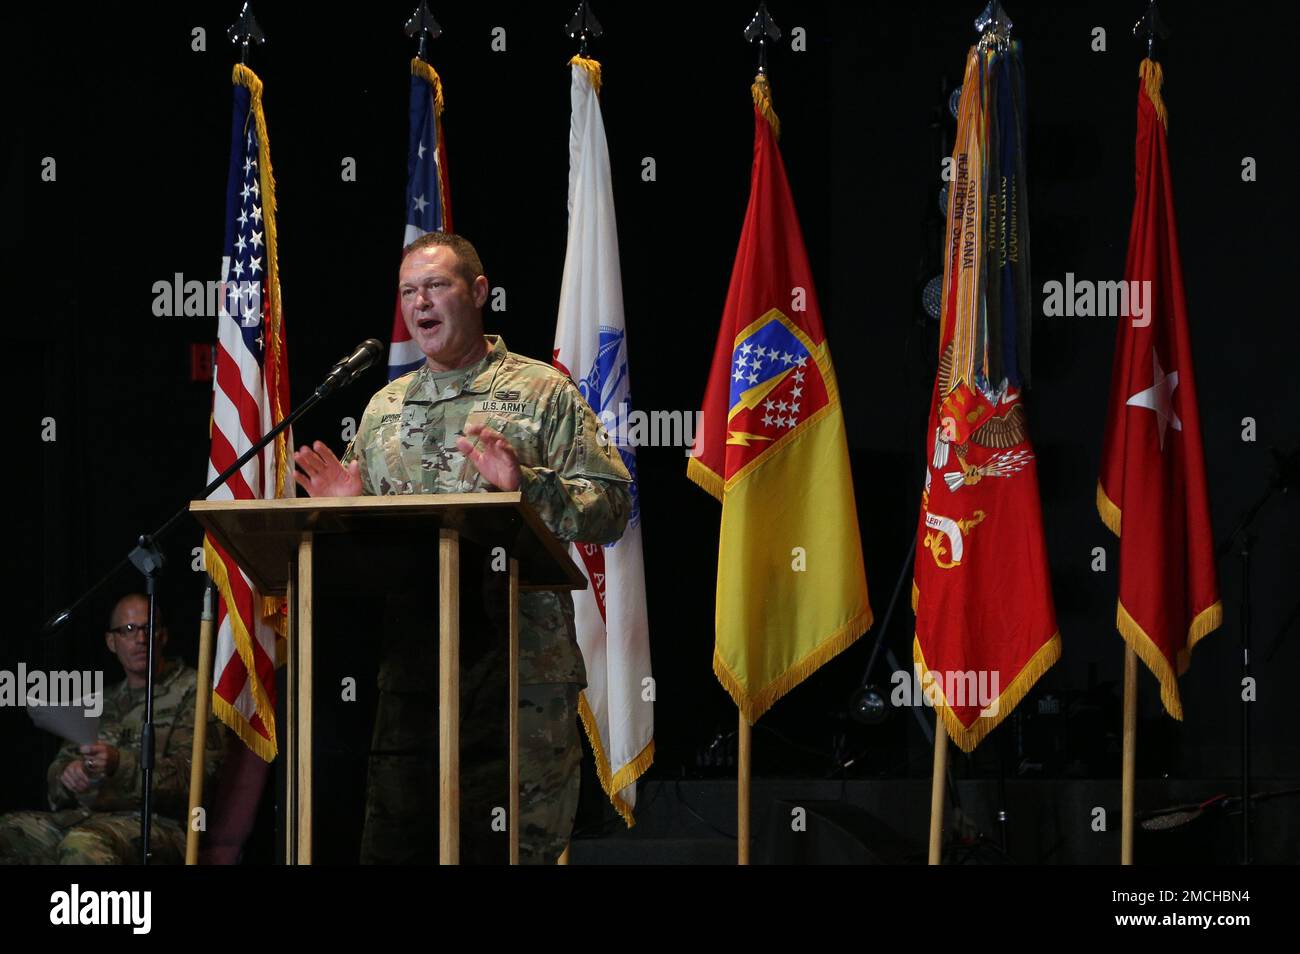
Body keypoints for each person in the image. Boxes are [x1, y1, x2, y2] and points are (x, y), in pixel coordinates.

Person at [292, 231, 631, 864]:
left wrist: (525, 486)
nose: (420, 303)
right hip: (414, 673)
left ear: (478, 292)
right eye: (408, 292)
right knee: (407, 841)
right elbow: (380, 544)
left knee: (509, 845)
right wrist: (347, 510)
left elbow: (612, 507)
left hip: (519, 667)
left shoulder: (541, 392)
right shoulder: (383, 409)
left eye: (436, 286)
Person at [0, 594, 225, 864]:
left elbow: (194, 781)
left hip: (160, 827)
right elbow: (57, 776)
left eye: (148, 628)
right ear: (111, 642)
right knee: (9, 831)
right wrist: (70, 775)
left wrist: (119, 764)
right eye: (128, 630)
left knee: (83, 845)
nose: (140, 639)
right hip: (90, 818)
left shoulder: (194, 691)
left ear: (162, 636)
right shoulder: (103, 701)